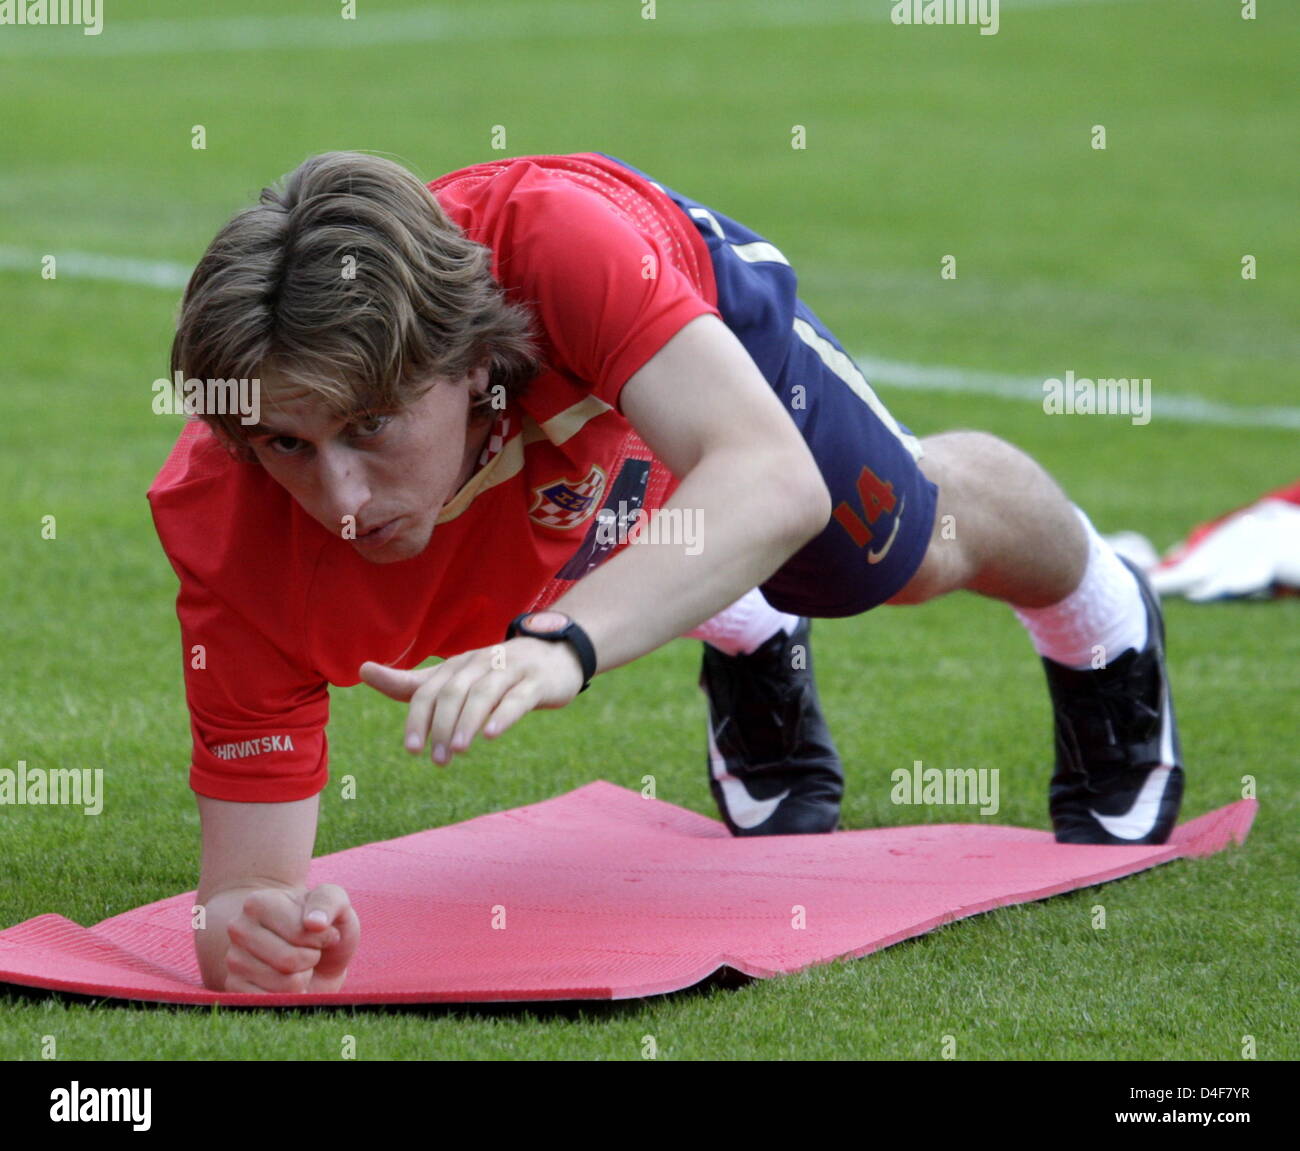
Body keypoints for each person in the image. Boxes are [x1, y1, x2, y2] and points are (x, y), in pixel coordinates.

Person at [151, 150, 1183, 994]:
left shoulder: (561, 249)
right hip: (575, 483)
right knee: (584, 531)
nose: (336, 499)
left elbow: (771, 479)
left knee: (895, 555)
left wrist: (565, 643)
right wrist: (260, 929)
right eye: (287, 444)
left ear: (471, 365)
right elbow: (239, 894)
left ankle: (1101, 612)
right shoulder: (224, 520)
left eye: (370, 427)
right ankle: (737, 614)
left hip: (679, 320)